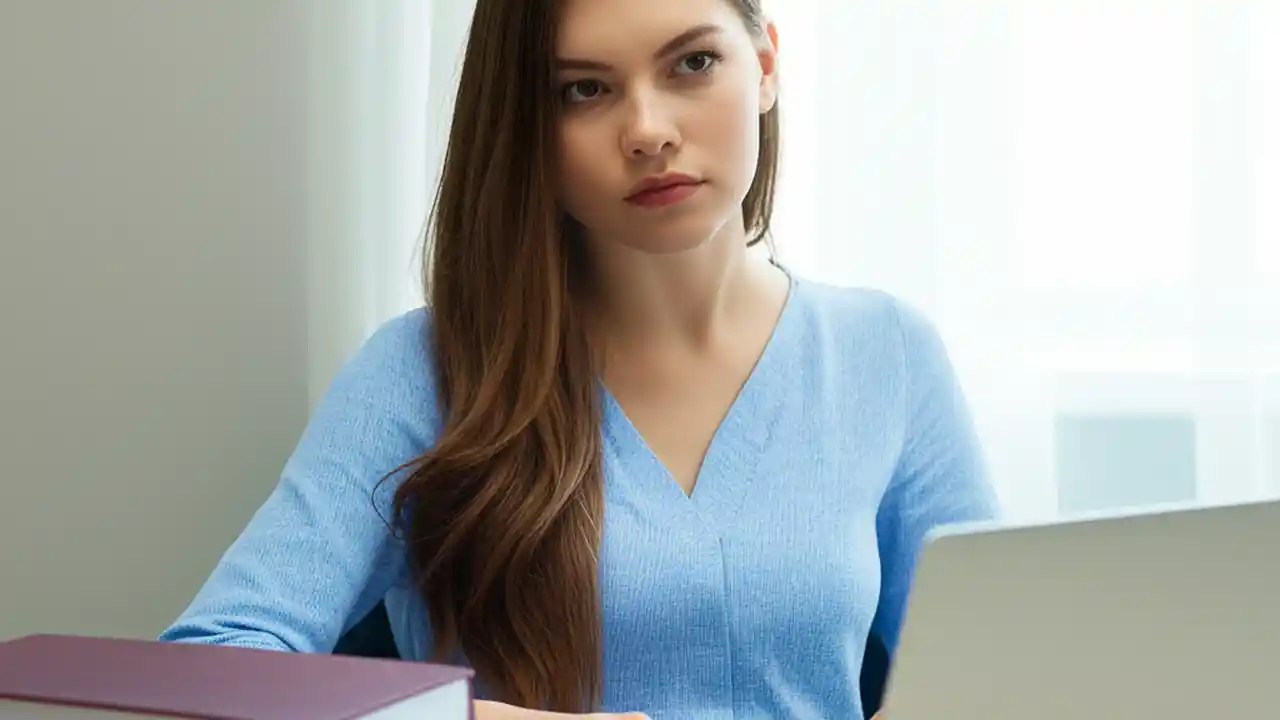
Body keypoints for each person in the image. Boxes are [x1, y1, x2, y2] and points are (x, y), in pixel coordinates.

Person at [159, 0, 1000, 717]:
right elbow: (209, 671)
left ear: (766, 64)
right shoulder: (425, 371)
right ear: (528, 123)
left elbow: (1008, 662)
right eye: (584, 90)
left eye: (694, 63)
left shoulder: (887, 354)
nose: (647, 131)